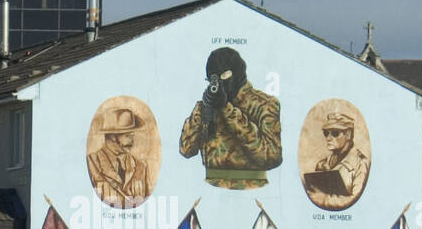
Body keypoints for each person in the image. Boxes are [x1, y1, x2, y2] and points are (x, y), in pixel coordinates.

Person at [178, 47, 282, 189]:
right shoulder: (208, 105)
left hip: (252, 188)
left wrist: (227, 109)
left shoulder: (264, 104)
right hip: (211, 188)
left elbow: (271, 157)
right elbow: (186, 150)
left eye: (223, 77)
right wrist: (202, 110)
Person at [86, 106, 155, 208]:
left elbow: (150, 204)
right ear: (113, 136)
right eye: (128, 136)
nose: (132, 142)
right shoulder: (92, 163)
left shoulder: (141, 167)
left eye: (132, 137)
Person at [306, 111, 370, 209]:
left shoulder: (361, 164)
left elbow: (356, 200)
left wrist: (324, 199)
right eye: (326, 133)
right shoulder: (322, 164)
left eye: (335, 133)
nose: (328, 138)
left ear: (348, 135)